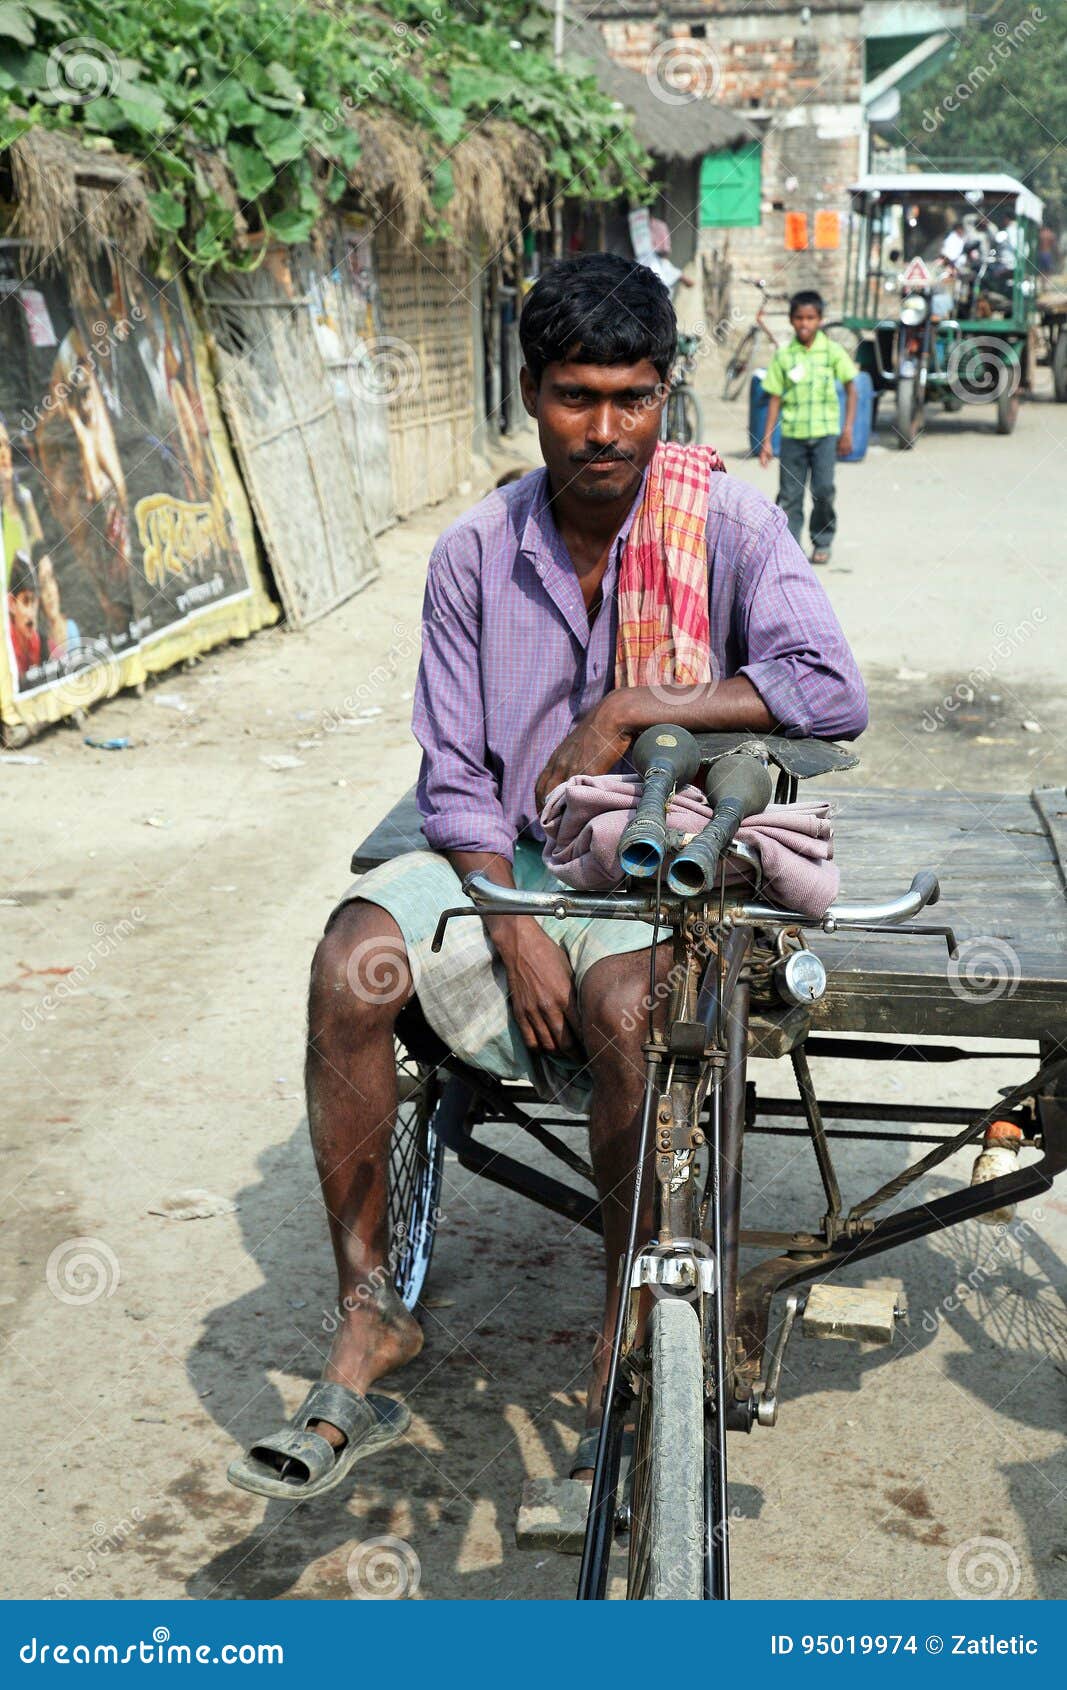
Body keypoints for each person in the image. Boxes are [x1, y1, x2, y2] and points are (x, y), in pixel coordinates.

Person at [226, 253, 868, 1502]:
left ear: (666, 394)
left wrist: (640, 702)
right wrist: (510, 927)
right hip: (496, 861)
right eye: (577, 395)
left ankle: (624, 1316)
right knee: (348, 965)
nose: (606, 428)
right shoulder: (473, 551)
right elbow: (454, 776)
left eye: (633, 396)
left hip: (653, 863)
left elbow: (828, 690)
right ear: (530, 393)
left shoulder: (723, 523)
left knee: (630, 1011)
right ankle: (371, 1311)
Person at [758, 290, 857, 567]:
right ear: (791, 320)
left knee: (823, 490)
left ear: (820, 320)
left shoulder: (832, 352)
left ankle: (822, 541)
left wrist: (847, 429)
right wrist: (766, 441)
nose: (805, 324)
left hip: (825, 435)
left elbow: (852, 387)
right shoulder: (784, 356)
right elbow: (774, 398)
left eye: (811, 318)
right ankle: (790, 549)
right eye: (799, 318)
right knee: (790, 496)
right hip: (793, 437)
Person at [6, 549, 41, 682]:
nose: (32, 612)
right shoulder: (5, 646)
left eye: (34, 601)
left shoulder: (35, 641)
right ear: (12, 603)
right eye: (26, 601)